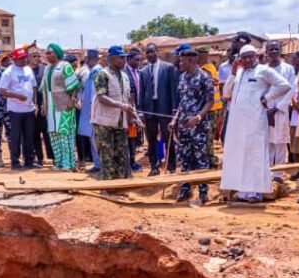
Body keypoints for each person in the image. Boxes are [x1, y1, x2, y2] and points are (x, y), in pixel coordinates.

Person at [220, 45, 293, 202]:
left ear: (256, 57)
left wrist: (268, 97)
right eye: (244, 57)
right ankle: (241, 190)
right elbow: (226, 93)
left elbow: (285, 85)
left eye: (250, 56)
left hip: (255, 122)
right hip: (237, 123)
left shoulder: (264, 70)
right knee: (239, 155)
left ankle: (255, 192)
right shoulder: (238, 73)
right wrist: (232, 75)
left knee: (255, 155)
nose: (247, 60)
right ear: (239, 59)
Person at [170, 47, 214, 204]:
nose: (179, 62)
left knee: (201, 158)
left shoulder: (204, 77)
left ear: (191, 61)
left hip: (198, 127)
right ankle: (185, 189)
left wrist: (198, 117)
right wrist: (175, 119)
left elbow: (210, 101)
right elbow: (182, 101)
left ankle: (203, 192)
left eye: (182, 60)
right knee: (185, 157)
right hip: (183, 125)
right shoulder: (182, 77)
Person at [92, 46, 139, 180]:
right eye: (122, 58)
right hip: (103, 122)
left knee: (121, 155)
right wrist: (121, 106)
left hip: (121, 121)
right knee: (106, 156)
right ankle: (107, 186)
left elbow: (129, 98)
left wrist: (133, 116)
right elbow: (101, 98)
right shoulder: (102, 75)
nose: (125, 60)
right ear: (112, 59)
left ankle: (118, 185)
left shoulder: (124, 76)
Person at [138, 43, 179, 176]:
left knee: (167, 138)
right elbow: (141, 92)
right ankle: (154, 167)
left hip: (165, 108)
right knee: (151, 139)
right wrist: (140, 111)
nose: (149, 55)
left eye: (152, 52)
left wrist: (174, 109)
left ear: (157, 52)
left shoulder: (168, 68)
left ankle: (171, 166)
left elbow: (173, 90)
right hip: (149, 109)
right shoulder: (143, 71)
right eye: (147, 53)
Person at [39, 43, 81, 171]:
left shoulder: (65, 66)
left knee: (64, 133)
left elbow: (74, 86)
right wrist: (42, 104)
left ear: (57, 53)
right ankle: (59, 162)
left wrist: (72, 100)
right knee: (53, 134)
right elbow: (43, 88)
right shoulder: (47, 68)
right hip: (50, 105)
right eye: (46, 53)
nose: (47, 55)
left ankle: (69, 163)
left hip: (64, 104)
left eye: (49, 53)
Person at [0, 47, 38, 170]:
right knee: (16, 137)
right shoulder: (9, 72)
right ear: (14, 59)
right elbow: (2, 90)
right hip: (15, 110)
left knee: (29, 136)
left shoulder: (28, 70)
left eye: (25, 57)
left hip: (29, 109)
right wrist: (16, 96)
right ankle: (15, 162)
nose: (24, 60)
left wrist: (35, 104)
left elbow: (34, 88)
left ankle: (29, 161)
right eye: (21, 58)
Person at [264, 41, 296, 168]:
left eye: (276, 49)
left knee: (280, 142)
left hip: (280, 111)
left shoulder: (288, 69)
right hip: (265, 111)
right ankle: (267, 172)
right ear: (266, 52)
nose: (273, 52)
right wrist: (266, 108)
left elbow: (291, 90)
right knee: (267, 142)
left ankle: (278, 174)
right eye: (270, 49)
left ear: (280, 51)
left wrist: (277, 108)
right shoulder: (263, 70)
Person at [76, 49, 102, 172]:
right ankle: (97, 164)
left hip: (94, 109)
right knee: (92, 137)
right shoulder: (91, 71)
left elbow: (95, 93)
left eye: (88, 59)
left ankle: (99, 164)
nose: (86, 61)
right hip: (90, 109)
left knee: (96, 138)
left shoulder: (97, 71)